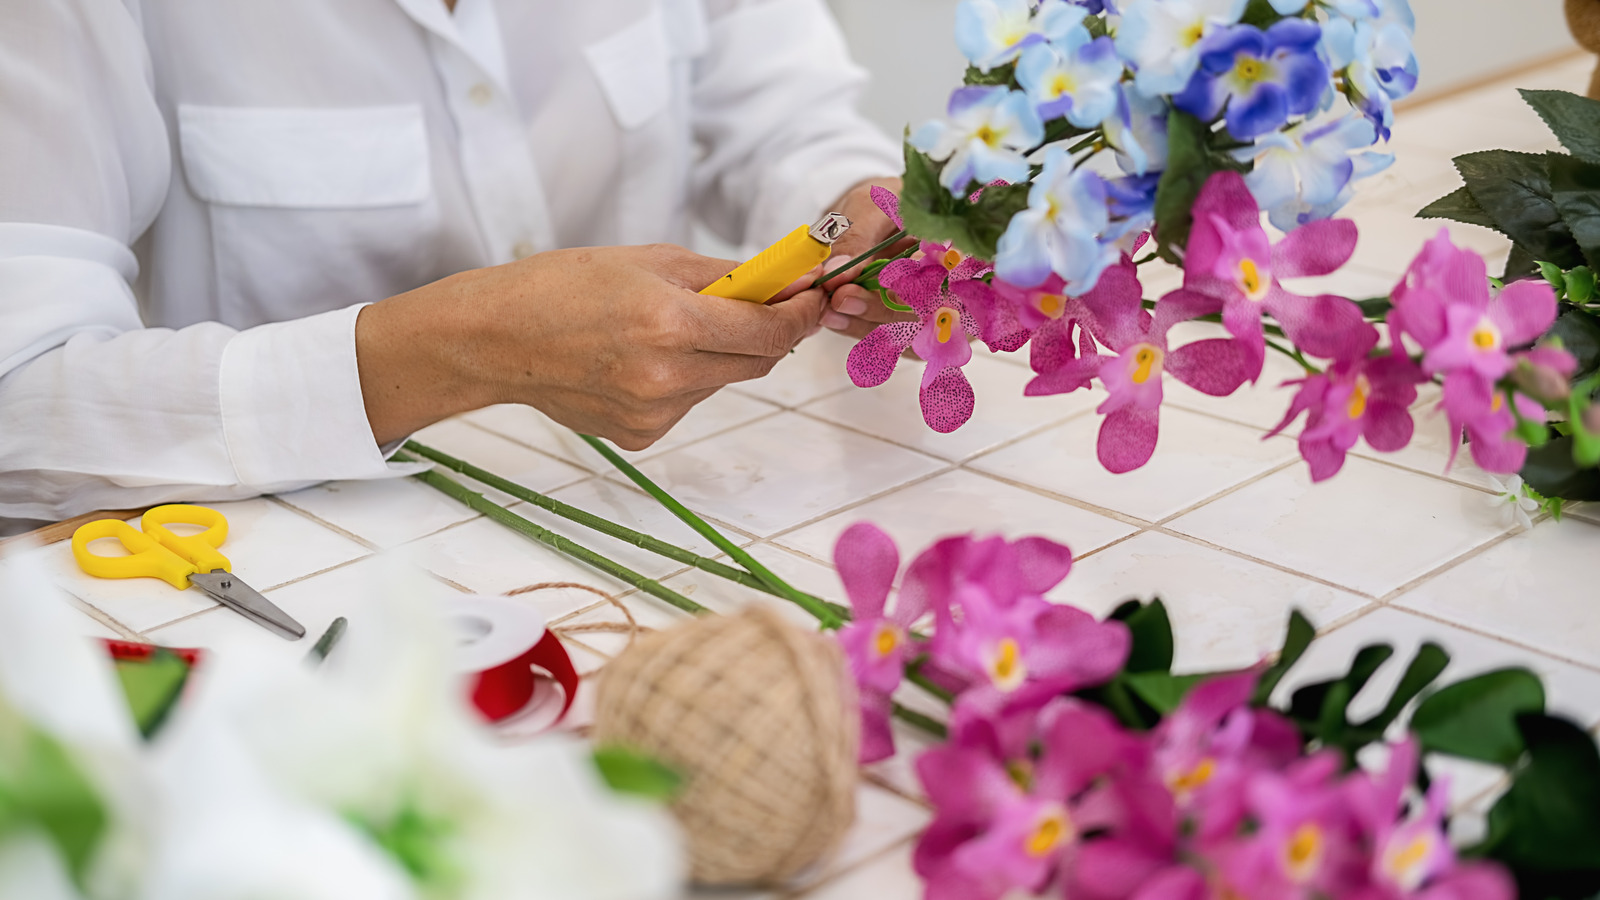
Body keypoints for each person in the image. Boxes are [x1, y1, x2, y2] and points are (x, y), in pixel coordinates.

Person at [0, 0, 909, 532]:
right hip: (285, 559)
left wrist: (868, 207)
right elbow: (19, 399)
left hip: (658, 505)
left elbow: (792, 125)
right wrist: (459, 350)